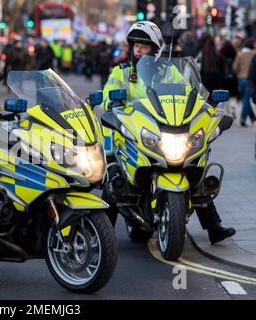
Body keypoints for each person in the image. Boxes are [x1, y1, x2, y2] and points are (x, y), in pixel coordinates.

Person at [101, 21, 236, 245]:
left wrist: (207, 105)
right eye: (135, 45)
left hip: (166, 129)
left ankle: (214, 227)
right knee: (113, 177)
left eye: (143, 46)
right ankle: (102, 237)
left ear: (155, 49)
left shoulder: (171, 71)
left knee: (192, 167)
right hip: (133, 134)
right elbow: (107, 96)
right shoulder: (121, 73)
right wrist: (112, 100)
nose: (137, 50)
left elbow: (193, 93)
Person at [234, 38, 256, 127]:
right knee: (246, 99)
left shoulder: (240, 54)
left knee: (244, 99)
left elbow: (235, 67)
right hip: (250, 79)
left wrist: (238, 73)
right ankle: (243, 119)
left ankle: (252, 117)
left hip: (241, 78)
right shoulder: (254, 54)